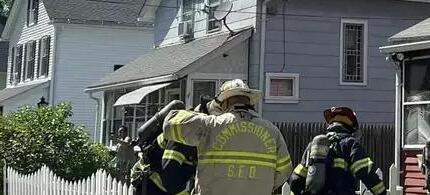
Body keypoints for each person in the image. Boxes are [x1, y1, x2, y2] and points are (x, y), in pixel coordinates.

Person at [162, 79, 292, 195]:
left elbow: (169, 124)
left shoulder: (211, 126)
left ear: (224, 103)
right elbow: (285, 170)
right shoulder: (272, 131)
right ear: (250, 101)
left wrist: (205, 109)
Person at [288, 106, 386, 195]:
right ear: (350, 127)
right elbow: (366, 172)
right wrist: (381, 192)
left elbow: (295, 179)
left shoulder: (313, 145)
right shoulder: (350, 144)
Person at [129, 131, 196, 195]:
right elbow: (170, 179)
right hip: (151, 186)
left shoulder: (196, 140)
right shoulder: (182, 137)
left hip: (161, 186)